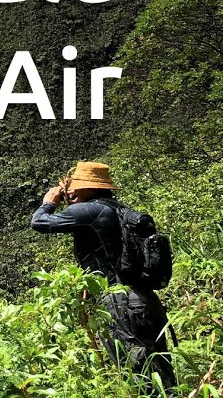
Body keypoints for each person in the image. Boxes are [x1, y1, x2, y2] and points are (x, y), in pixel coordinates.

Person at [30, 161, 176, 394]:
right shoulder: (117, 210)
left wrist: (48, 203)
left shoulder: (90, 210)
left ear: (90, 188)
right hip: (144, 299)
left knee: (137, 373)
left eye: (76, 186)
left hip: (119, 303)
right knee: (161, 371)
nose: (71, 191)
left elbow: (39, 223)